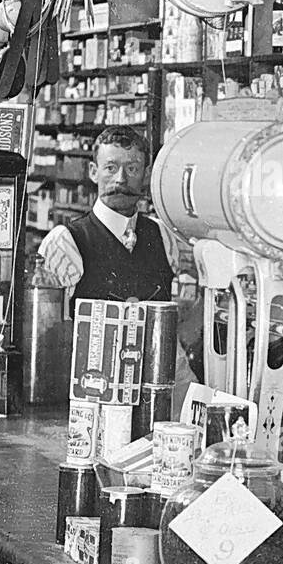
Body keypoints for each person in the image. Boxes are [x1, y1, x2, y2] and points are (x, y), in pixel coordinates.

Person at [37, 126, 196, 395]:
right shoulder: (65, 242)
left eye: (132, 169)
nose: (120, 179)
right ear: (93, 172)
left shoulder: (163, 235)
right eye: (110, 168)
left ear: (146, 175)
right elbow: (49, 337)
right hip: (94, 391)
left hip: (156, 390)